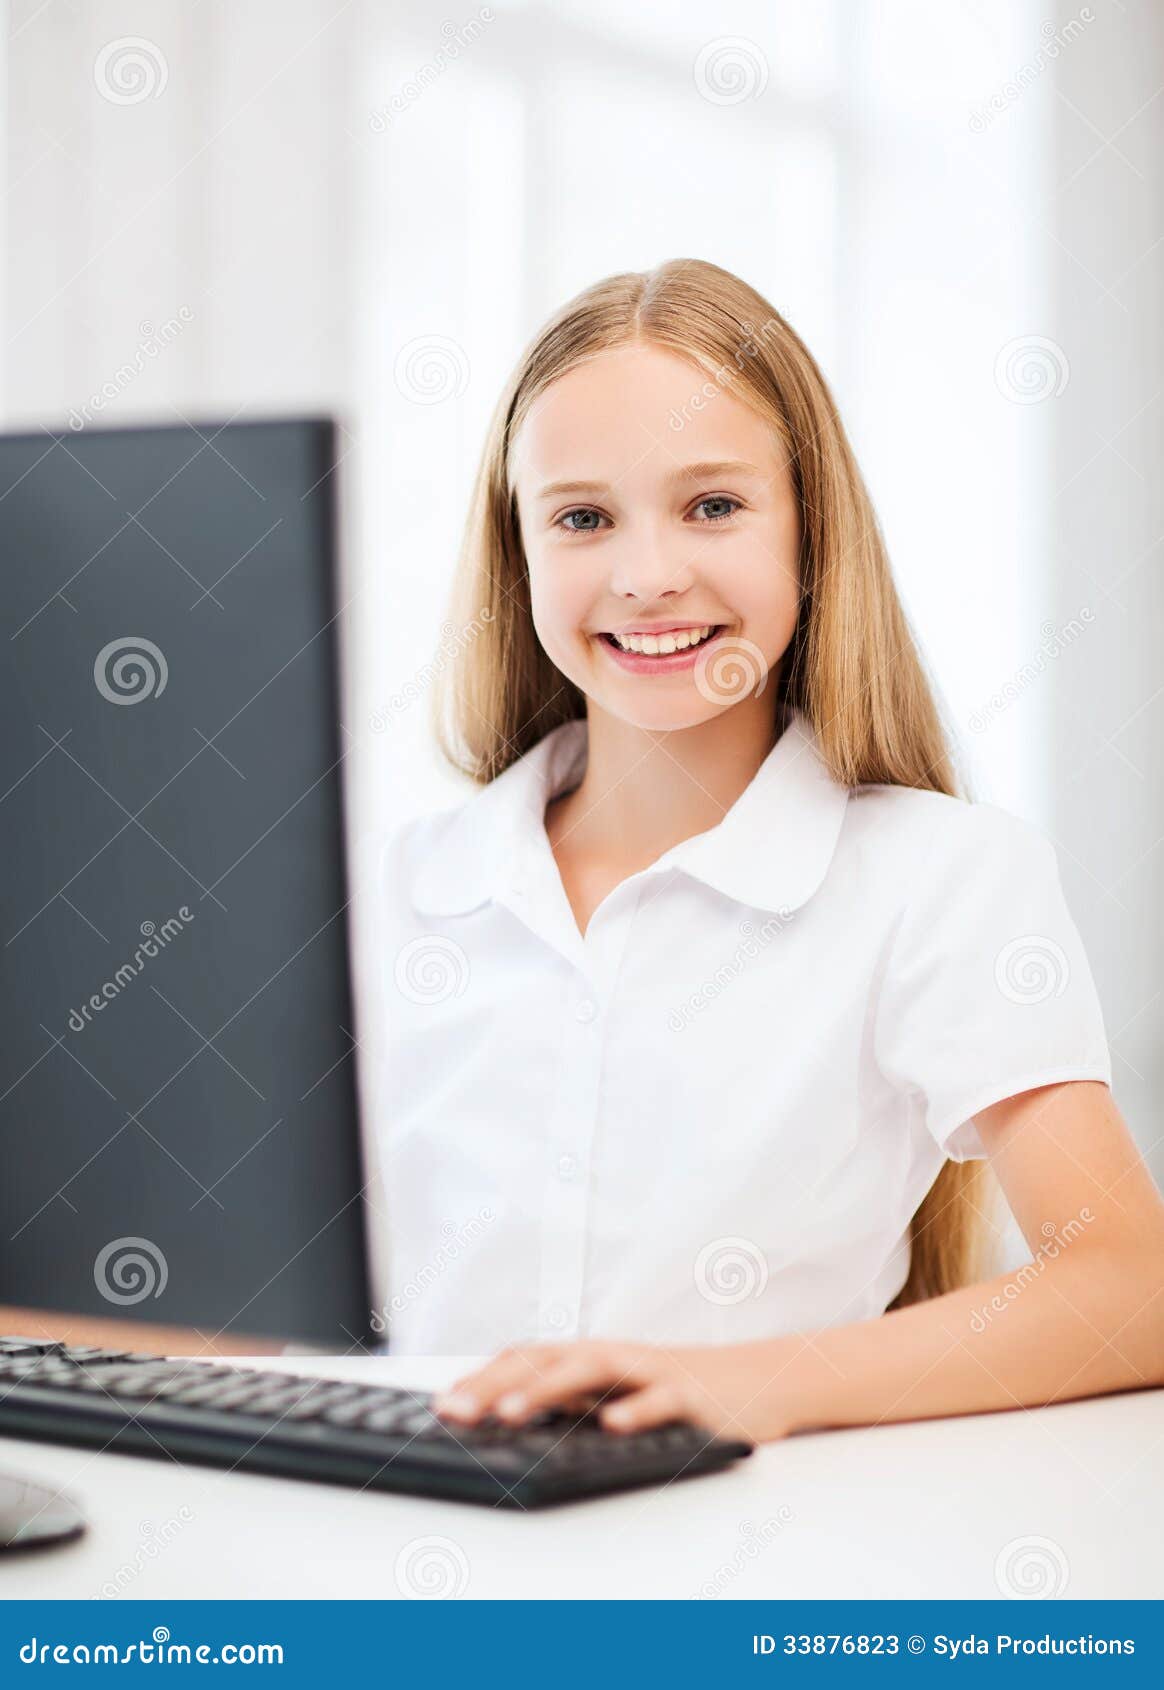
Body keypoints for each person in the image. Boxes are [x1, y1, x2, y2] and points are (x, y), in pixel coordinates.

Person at [370, 257, 1164, 1443]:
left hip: (761, 1537)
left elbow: (1131, 1291)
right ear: (519, 552)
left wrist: (739, 1386)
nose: (647, 577)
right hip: (414, 1533)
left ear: (811, 529)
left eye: (712, 506)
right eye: (582, 518)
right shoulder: (394, 889)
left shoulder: (942, 878)